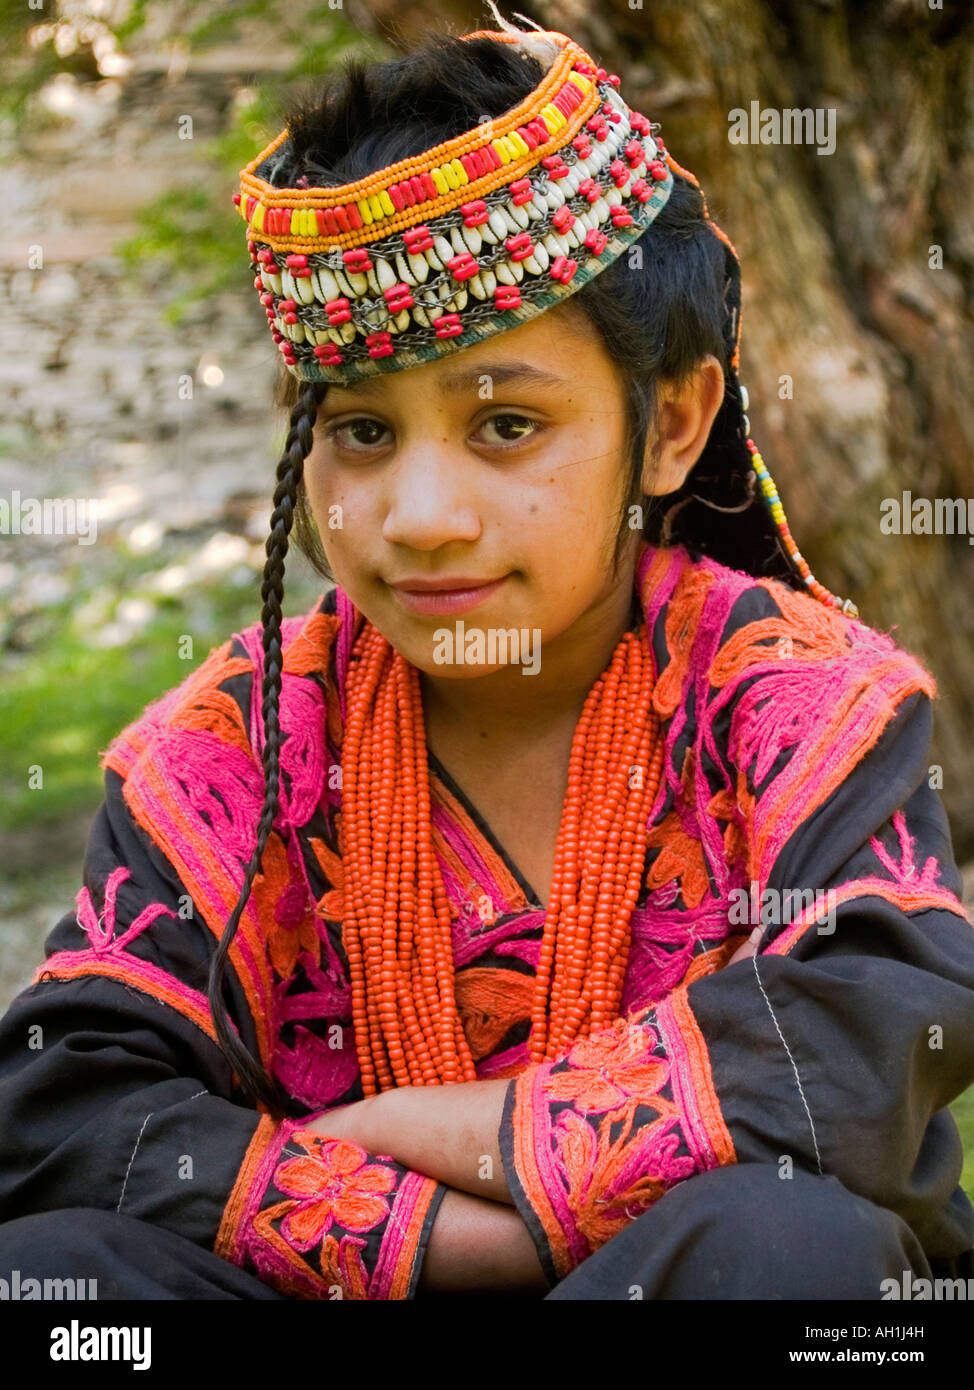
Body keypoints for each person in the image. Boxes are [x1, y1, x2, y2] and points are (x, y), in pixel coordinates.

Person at [1, 7, 973, 1301]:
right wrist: (447, 1247)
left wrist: (464, 1136)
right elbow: (65, 1104)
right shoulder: (226, 747)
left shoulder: (800, 702)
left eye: (506, 422)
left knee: (795, 1248)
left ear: (673, 420)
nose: (417, 516)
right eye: (358, 431)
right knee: (52, 1285)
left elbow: (869, 1032)